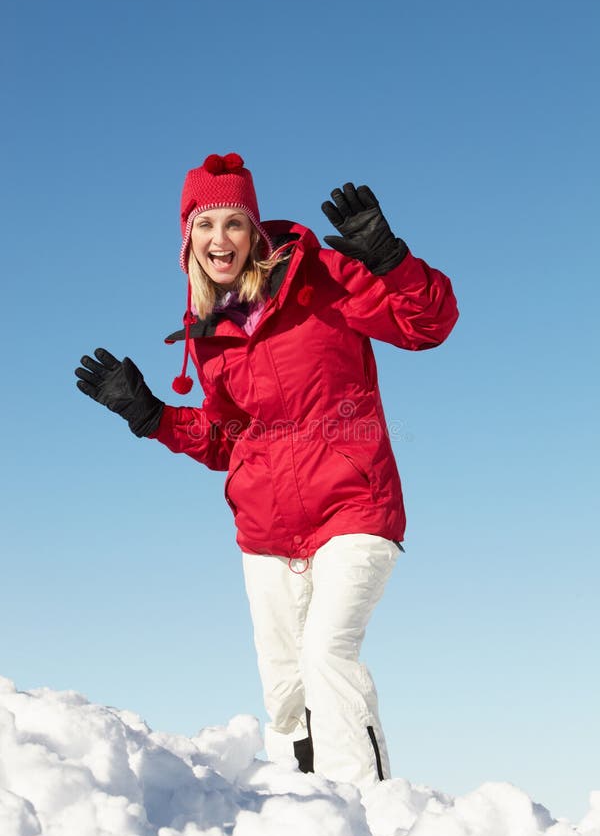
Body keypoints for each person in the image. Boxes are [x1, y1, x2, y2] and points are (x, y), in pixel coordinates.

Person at [75, 152, 458, 788]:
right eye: (205, 225)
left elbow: (428, 326)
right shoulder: (209, 332)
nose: (219, 239)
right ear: (188, 240)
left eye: (233, 222)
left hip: (354, 507)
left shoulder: (322, 281)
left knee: (326, 655)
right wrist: (150, 415)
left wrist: (390, 261)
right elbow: (229, 440)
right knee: (285, 688)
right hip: (266, 531)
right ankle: (306, 809)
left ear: (254, 230)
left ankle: (372, 809)